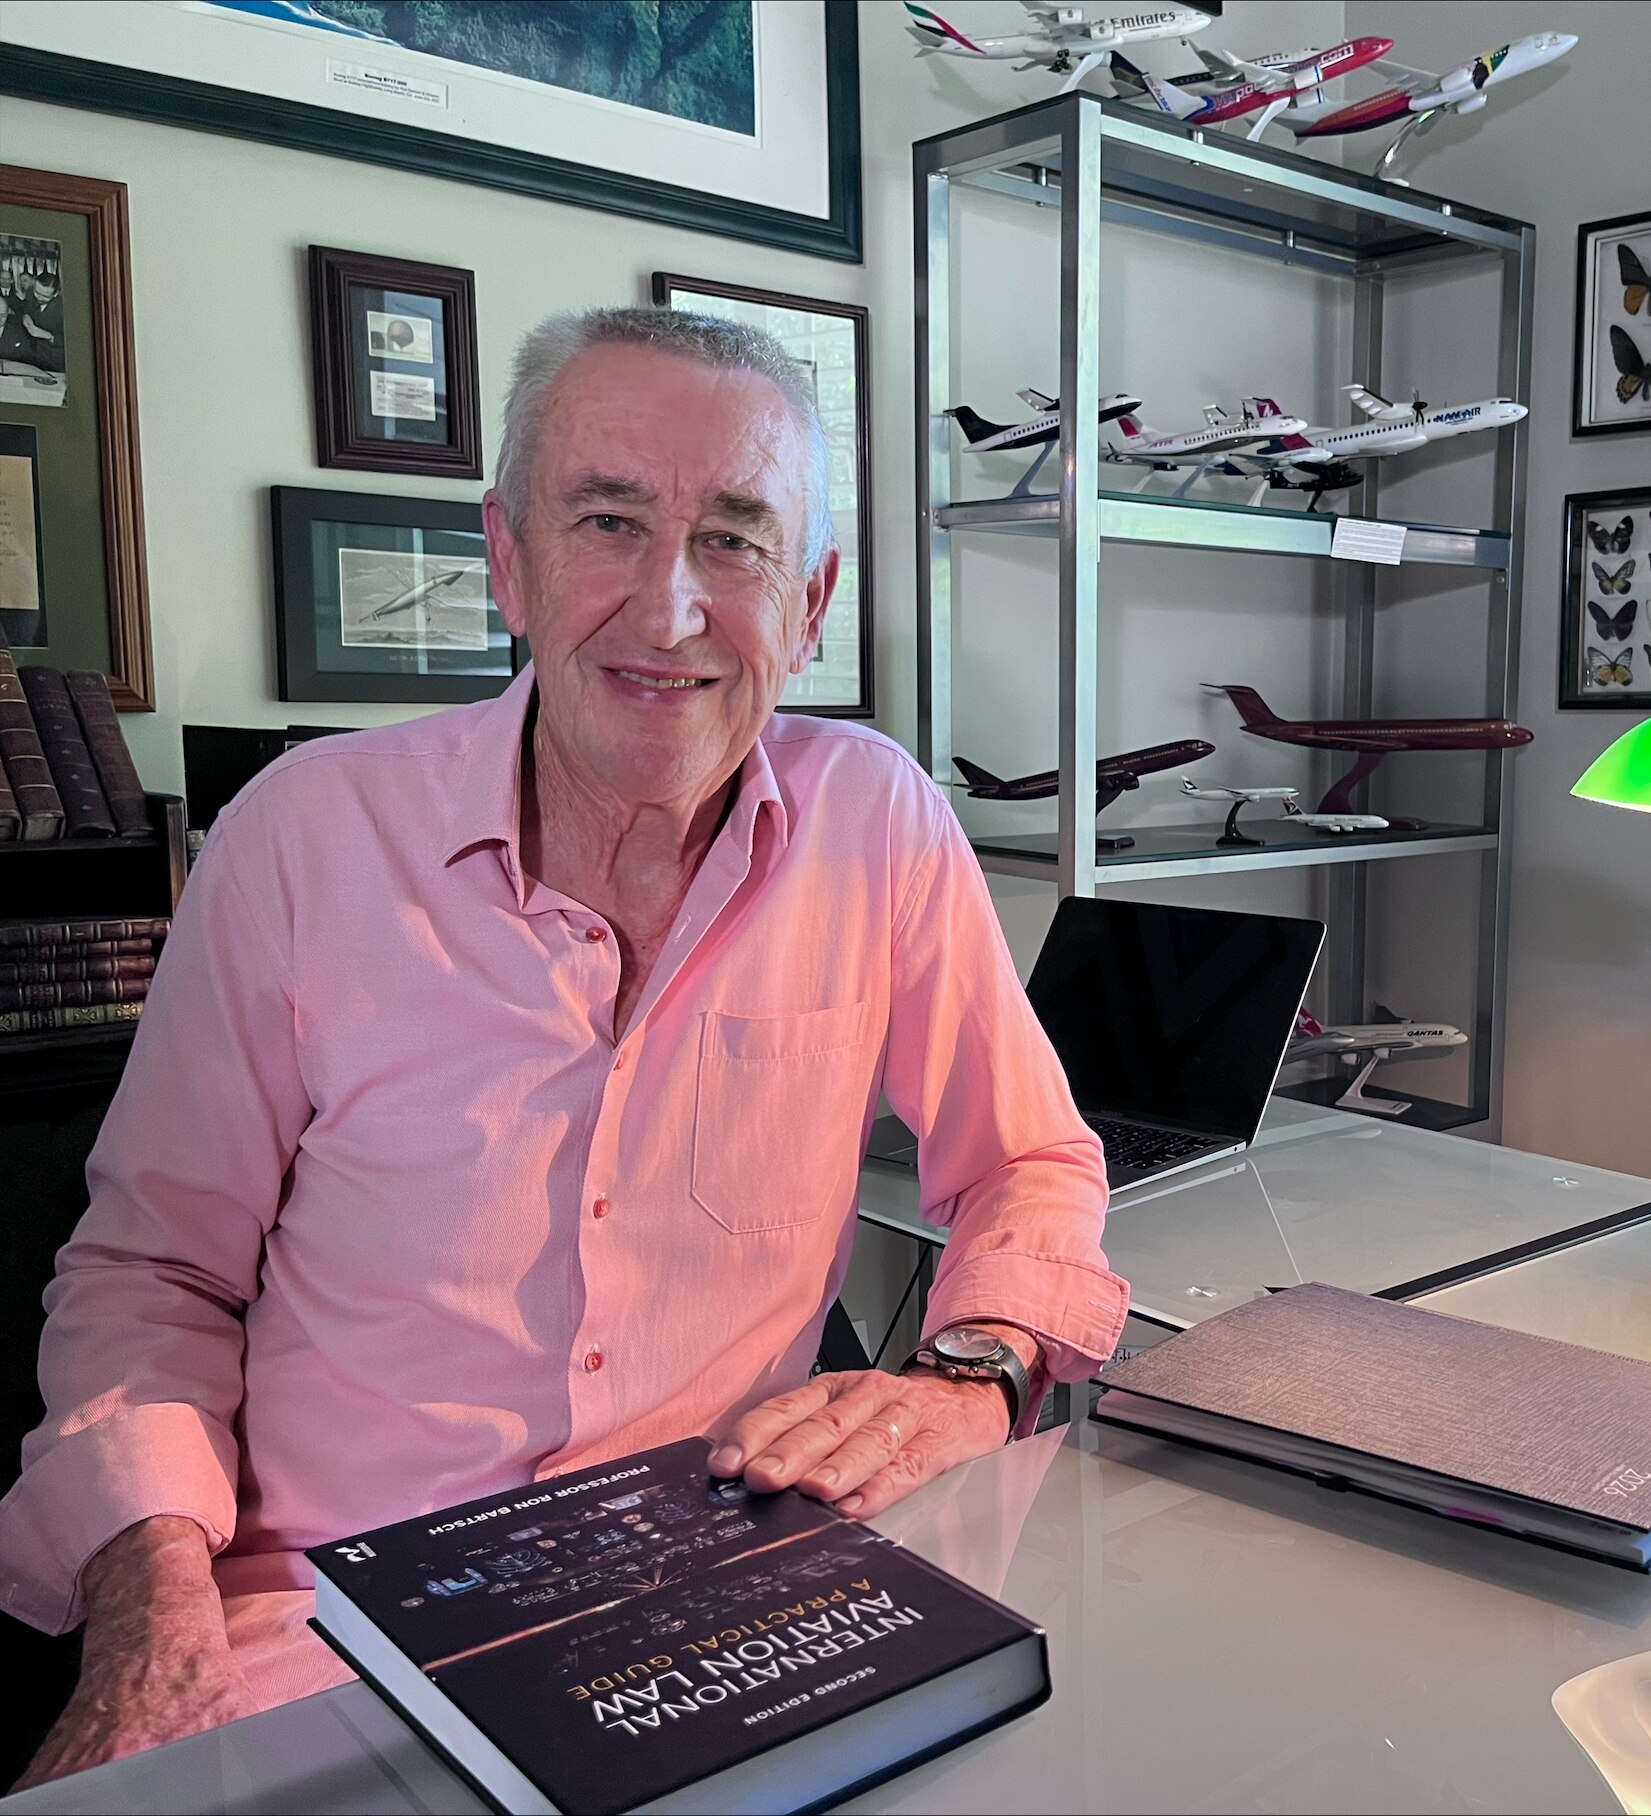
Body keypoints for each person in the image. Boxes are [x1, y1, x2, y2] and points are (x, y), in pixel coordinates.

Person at [0, 307, 1129, 1786]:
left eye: (737, 540)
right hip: (337, 1621)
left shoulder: (879, 823)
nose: (669, 611)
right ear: (510, 562)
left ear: (812, 600)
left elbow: (1032, 1160)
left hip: (728, 1585)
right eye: (610, 522)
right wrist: (147, 1609)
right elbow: (154, 1272)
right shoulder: (300, 840)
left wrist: (969, 1375)